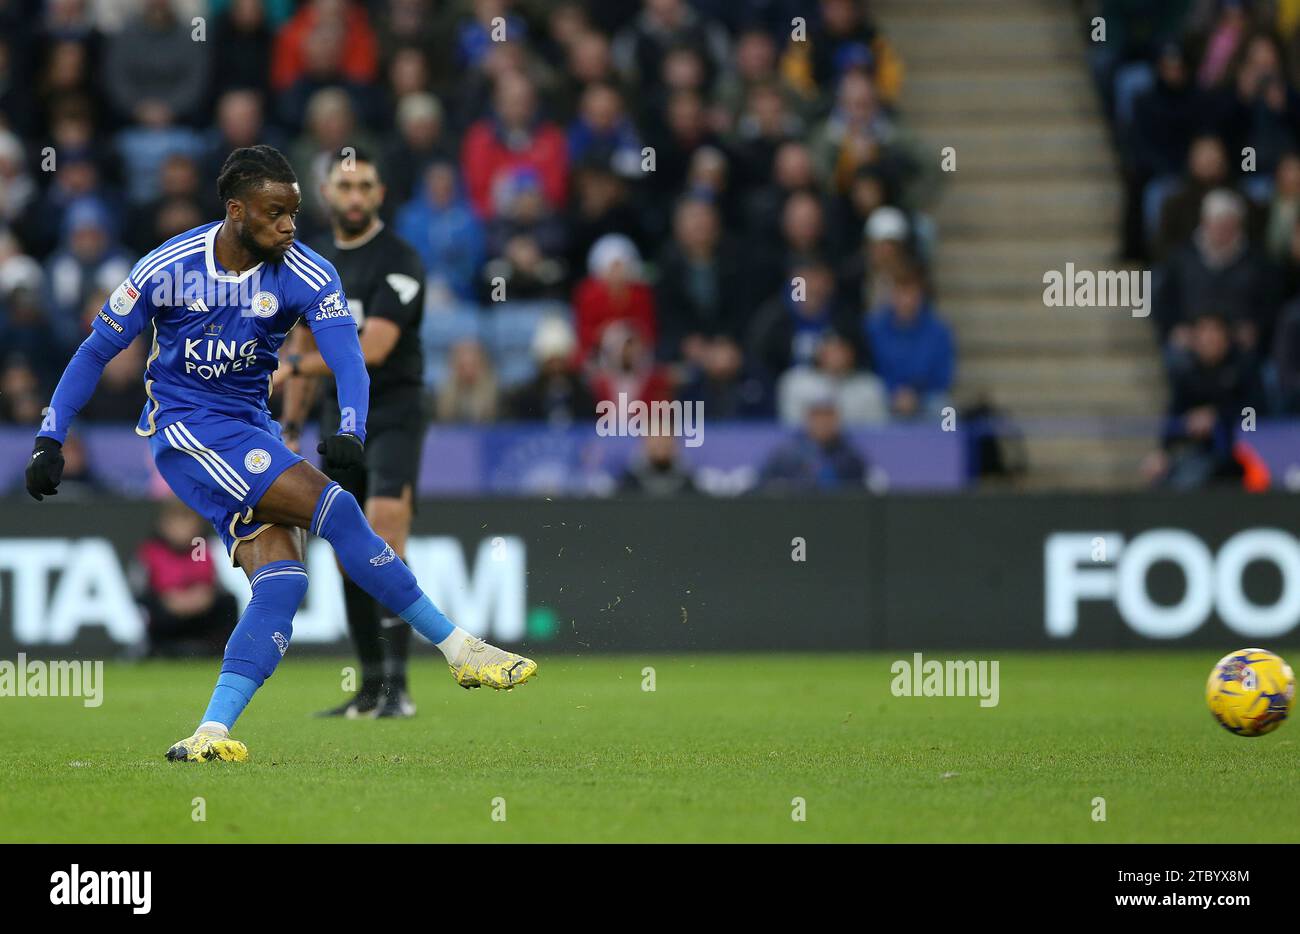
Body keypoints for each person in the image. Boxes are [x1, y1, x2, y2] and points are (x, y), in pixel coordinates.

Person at [24, 145, 537, 764]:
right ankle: (460, 649)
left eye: (294, 211)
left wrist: (351, 426)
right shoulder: (169, 267)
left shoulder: (308, 271)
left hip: (252, 429)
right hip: (188, 430)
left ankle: (210, 732)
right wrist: (51, 437)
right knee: (338, 511)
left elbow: (348, 356)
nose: (289, 225)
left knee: (284, 581)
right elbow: (94, 352)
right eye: (275, 213)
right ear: (236, 211)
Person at [276, 147, 427, 719]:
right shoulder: (310, 266)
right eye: (346, 187)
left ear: (380, 193)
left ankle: (399, 689)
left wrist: (290, 369)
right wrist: (290, 424)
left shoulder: (400, 260)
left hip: (392, 413)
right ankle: (370, 690)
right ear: (328, 196)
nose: (356, 196)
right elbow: (304, 347)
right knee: (346, 552)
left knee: (385, 535)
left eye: (366, 185)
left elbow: (376, 349)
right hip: (336, 420)